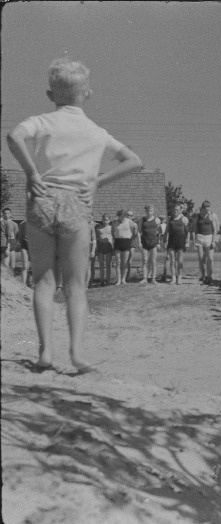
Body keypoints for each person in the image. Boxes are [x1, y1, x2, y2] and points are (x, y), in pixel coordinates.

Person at [5, 57, 143, 372]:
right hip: (76, 204)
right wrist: (97, 181)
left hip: (42, 200)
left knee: (43, 280)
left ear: (50, 95)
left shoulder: (41, 121)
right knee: (75, 284)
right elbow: (134, 160)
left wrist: (32, 173)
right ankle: (78, 355)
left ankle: (45, 354)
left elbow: (14, 138)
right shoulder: (96, 131)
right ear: (87, 94)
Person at [190, 200, 219, 285]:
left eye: (208, 209)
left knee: (210, 258)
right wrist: (194, 240)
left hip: (209, 237)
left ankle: (210, 277)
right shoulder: (197, 217)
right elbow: (193, 229)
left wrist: (213, 241)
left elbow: (215, 230)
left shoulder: (211, 217)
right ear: (202, 209)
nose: (207, 211)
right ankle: (203, 277)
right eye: (205, 209)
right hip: (200, 237)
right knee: (201, 258)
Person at [165, 203, 190, 284]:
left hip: (180, 241)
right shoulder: (170, 218)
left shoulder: (184, 219)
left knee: (180, 260)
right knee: (172, 260)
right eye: (174, 209)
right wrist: (165, 241)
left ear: (180, 211)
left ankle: (179, 277)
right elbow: (167, 231)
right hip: (172, 241)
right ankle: (173, 278)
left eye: (177, 210)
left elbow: (187, 232)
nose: (175, 211)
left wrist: (187, 242)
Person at [138, 204, 161, 284]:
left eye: (151, 211)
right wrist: (139, 242)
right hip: (144, 242)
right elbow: (139, 232)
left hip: (153, 242)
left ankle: (153, 278)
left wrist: (159, 242)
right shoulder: (142, 220)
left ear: (153, 211)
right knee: (145, 260)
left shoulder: (157, 220)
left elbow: (159, 232)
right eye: (147, 210)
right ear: (145, 211)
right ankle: (145, 278)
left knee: (153, 261)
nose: (149, 212)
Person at [112, 209, 136, 285]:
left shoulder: (129, 222)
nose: (121, 217)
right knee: (118, 262)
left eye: (123, 215)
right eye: (120, 215)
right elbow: (113, 232)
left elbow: (135, 230)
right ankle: (118, 280)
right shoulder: (114, 222)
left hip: (126, 242)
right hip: (117, 241)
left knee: (125, 262)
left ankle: (123, 279)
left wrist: (130, 238)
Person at [95, 214, 114, 286]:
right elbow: (96, 238)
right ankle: (102, 280)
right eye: (104, 220)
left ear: (109, 220)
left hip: (108, 246)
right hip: (100, 246)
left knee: (108, 264)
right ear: (102, 220)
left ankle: (108, 280)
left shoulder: (111, 228)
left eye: (106, 220)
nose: (105, 221)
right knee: (101, 264)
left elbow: (114, 237)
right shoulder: (98, 228)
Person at [17, 219, 31, 286]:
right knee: (25, 266)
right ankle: (23, 285)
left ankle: (29, 284)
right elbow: (20, 236)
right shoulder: (22, 224)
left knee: (32, 267)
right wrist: (18, 244)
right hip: (24, 244)